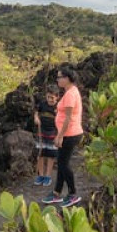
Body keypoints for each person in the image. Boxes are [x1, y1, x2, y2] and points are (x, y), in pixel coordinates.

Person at [43, 67, 83, 207]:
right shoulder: (69, 92)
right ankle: (56, 192)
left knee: (63, 164)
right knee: (61, 163)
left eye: (60, 77)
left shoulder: (71, 94)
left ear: (67, 78)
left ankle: (72, 193)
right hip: (67, 133)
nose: (58, 79)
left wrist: (59, 136)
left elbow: (68, 118)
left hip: (69, 134)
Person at [32, 86, 58, 186]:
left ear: (57, 97)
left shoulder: (58, 107)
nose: (50, 100)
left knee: (50, 156)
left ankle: (48, 176)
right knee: (41, 154)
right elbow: (36, 112)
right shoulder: (42, 104)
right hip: (41, 132)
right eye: (48, 97)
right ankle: (41, 175)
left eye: (52, 97)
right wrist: (36, 118)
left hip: (53, 133)